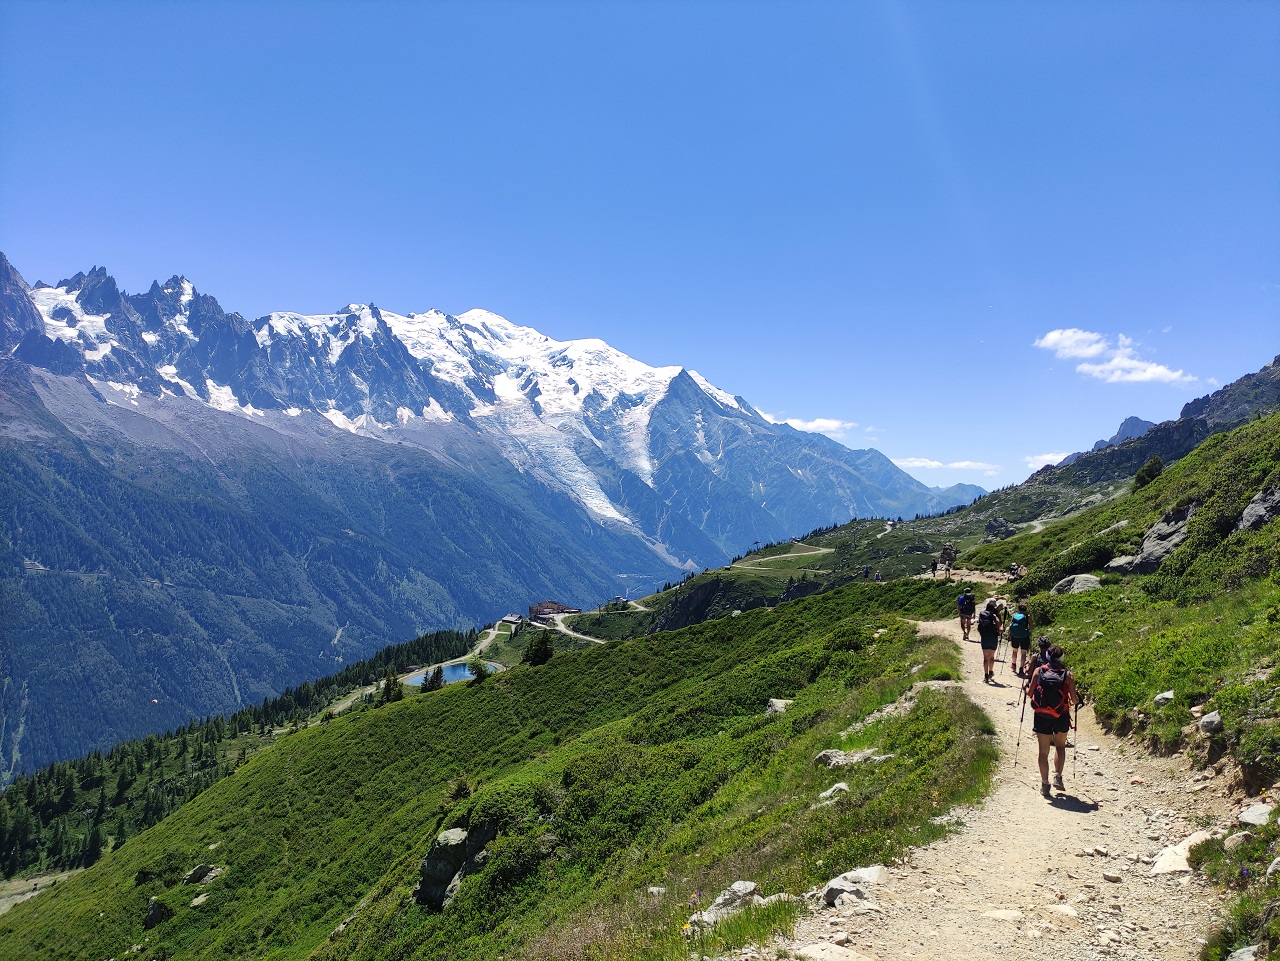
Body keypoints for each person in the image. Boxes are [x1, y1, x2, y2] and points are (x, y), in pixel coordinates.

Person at [1026, 645, 1079, 796]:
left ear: (1048, 657)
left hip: (1042, 715)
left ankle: (1044, 784)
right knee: (1060, 746)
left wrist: (1026, 688)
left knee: (1043, 751)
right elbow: (1074, 700)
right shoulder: (1068, 675)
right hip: (1061, 715)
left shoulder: (1039, 671)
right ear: (1062, 658)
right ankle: (1058, 776)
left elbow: (1030, 694)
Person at [976, 599, 1002, 681]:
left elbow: (979, 625)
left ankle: (986, 675)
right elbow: (1000, 627)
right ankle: (991, 671)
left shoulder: (982, 614)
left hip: (984, 637)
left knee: (985, 657)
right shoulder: (994, 616)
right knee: (991, 657)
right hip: (993, 637)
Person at [1007, 602, 1033, 675]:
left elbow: (1011, 625)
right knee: (1023, 653)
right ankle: (1021, 669)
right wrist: (1029, 632)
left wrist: (1009, 634)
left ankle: (1013, 664)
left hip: (1015, 636)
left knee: (1015, 651)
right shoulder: (1027, 616)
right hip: (1024, 636)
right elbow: (1031, 627)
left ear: (1018, 609)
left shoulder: (1014, 615)